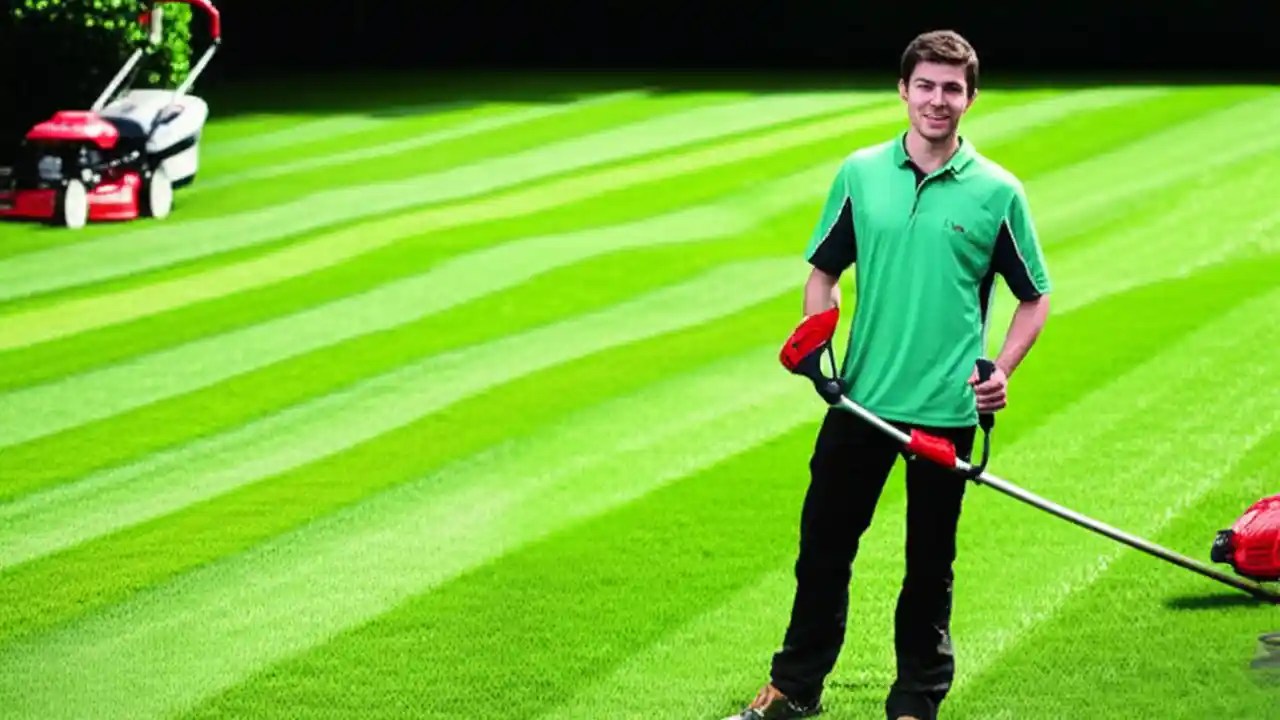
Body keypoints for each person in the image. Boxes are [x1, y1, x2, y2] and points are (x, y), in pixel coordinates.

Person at [726, 29, 1052, 720]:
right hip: (862, 403)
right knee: (822, 554)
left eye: (952, 88)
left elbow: (1034, 296)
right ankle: (793, 690)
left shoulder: (997, 193)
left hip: (945, 411)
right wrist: (819, 351)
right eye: (926, 86)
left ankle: (914, 703)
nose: (938, 100)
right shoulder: (861, 174)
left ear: (970, 98)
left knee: (928, 571)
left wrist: (1002, 368)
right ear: (903, 90)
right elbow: (823, 273)